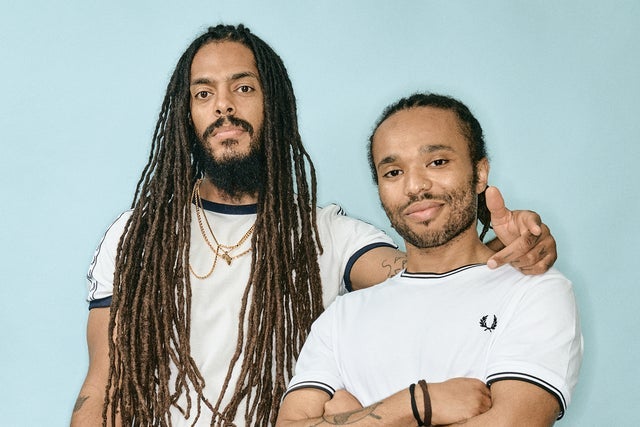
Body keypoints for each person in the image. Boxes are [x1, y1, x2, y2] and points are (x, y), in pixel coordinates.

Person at [71, 25, 558, 427]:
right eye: (204, 93)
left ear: (274, 106)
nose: (223, 106)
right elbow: (103, 387)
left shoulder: (330, 236)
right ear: (187, 116)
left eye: (244, 88)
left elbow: (425, 270)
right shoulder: (137, 236)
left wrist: (507, 244)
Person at [277, 93, 582, 426]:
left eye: (437, 162)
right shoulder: (341, 317)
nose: (415, 186)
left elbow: (513, 422)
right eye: (393, 172)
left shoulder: (535, 293)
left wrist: (357, 418)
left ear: (480, 173)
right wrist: (417, 403)